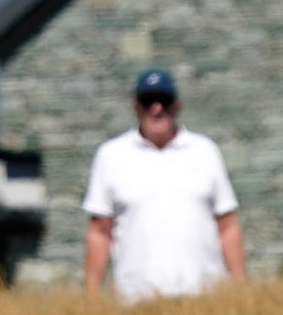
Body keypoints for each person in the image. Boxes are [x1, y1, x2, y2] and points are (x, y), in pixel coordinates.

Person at [83, 69, 248, 301]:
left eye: (164, 100)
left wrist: (242, 290)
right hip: (136, 301)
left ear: (177, 106)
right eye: (148, 101)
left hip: (204, 297)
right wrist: (91, 296)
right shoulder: (111, 156)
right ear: (136, 107)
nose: (157, 108)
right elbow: (100, 231)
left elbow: (227, 226)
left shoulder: (205, 151)